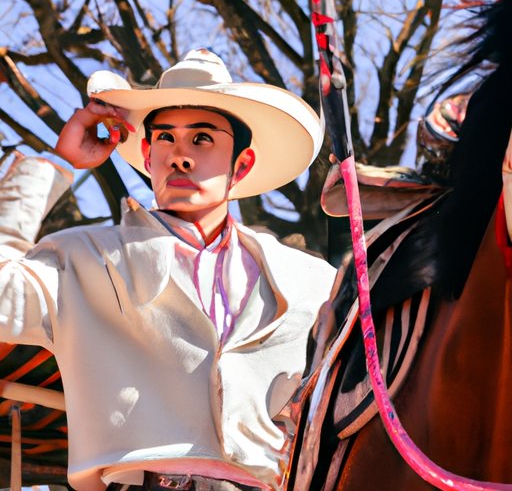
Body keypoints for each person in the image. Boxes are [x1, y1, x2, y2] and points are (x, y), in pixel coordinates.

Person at [0, 48, 336, 491]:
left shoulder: (311, 281)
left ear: (241, 165)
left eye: (201, 139)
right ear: (147, 151)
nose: (179, 156)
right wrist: (59, 165)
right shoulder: (84, 258)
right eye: (165, 139)